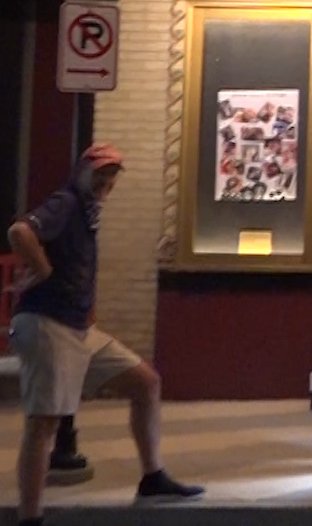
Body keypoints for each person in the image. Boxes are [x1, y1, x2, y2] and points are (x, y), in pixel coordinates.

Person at [8, 144, 203, 526]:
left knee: (145, 383)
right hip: (49, 324)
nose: (106, 181)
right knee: (43, 423)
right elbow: (20, 231)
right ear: (82, 171)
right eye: (100, 172)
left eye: (112, 174)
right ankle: (30, 518)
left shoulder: (87, 211)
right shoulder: (65, 203)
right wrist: (43, 268)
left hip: (78, 329)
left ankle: (152, 477)